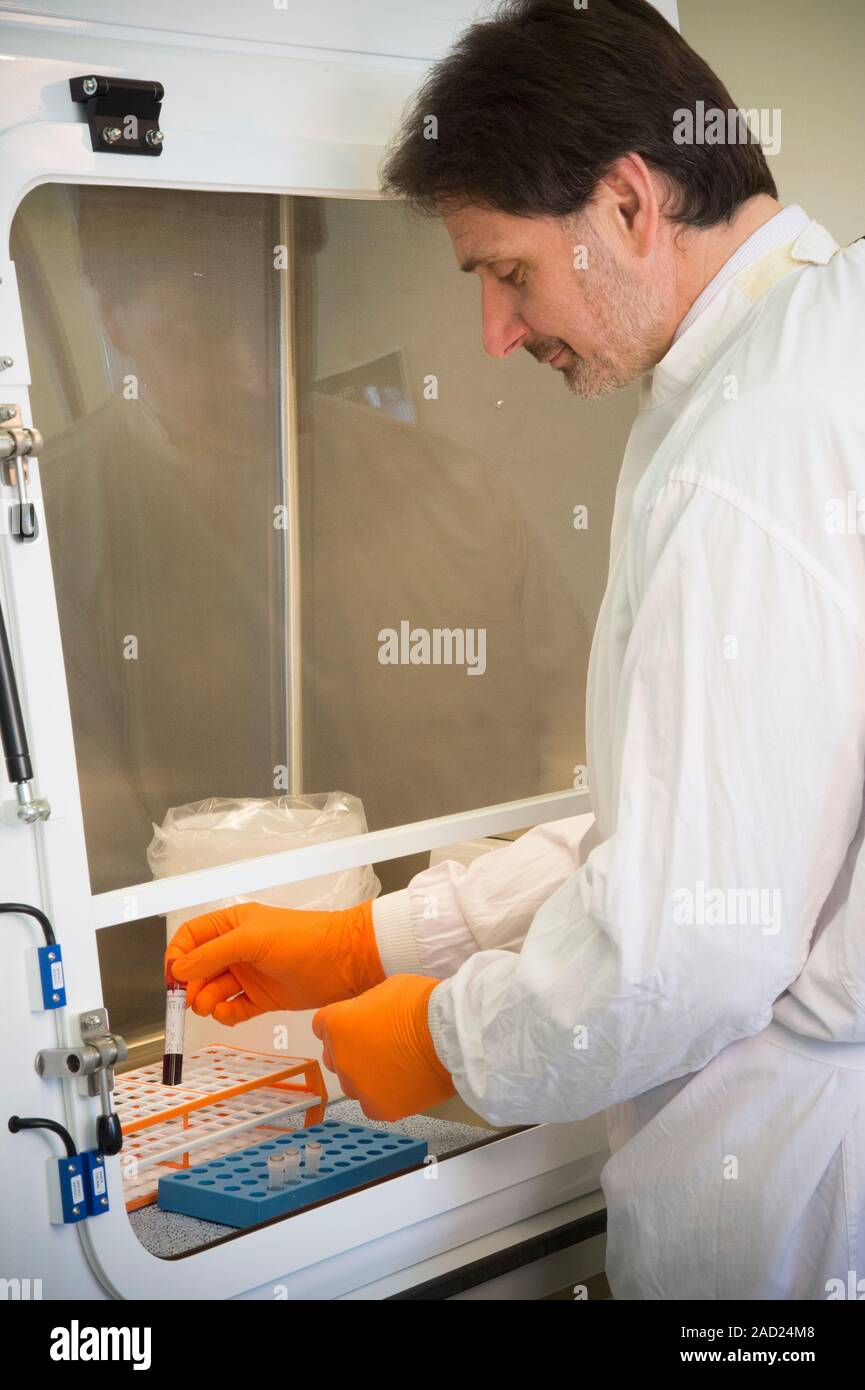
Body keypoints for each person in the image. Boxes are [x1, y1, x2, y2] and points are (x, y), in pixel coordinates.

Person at [166, 0, 865, 1300]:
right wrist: (374, 940)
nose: (495, 332)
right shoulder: (813, 352)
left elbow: (683, 949)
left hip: (790, 1215)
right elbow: (673, 839)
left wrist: (442, 1038)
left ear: (627, 204)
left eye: (505, 271)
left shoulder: (747, 454)